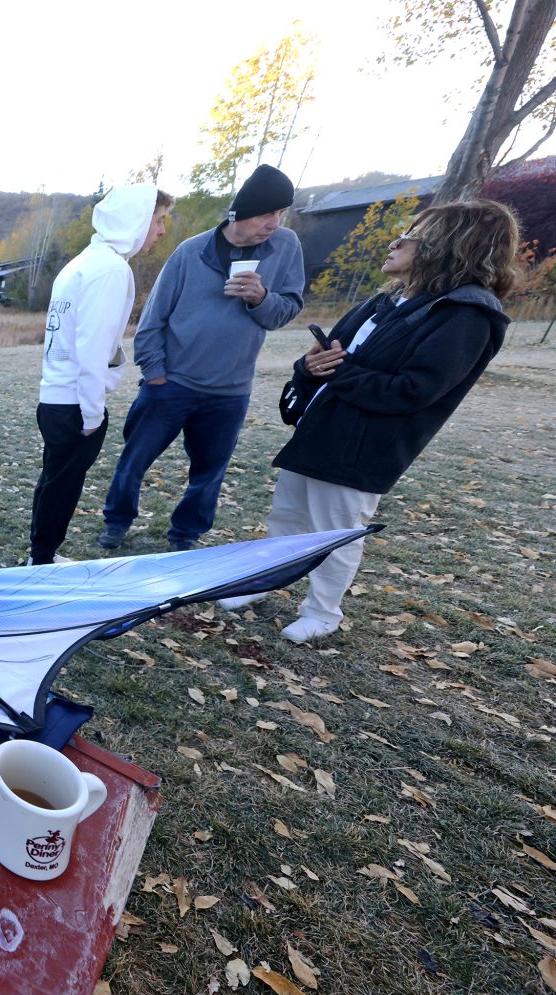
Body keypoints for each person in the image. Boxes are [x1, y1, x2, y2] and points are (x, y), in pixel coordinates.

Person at [219, 199, 523, 642]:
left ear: (449, 246)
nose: (396, 241)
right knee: (286, 516)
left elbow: (415, 390)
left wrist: (340, 371)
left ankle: (323, 612)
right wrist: (308, 369)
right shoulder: (388, 300)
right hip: (320, 431)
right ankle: (260, 582)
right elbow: (329, 356)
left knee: (336, 531)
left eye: (413, 234)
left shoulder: (466, 315)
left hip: (364, 447)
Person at [98, 164, 305, 552]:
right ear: (239, 213)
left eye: (280, 214)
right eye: (266, 214)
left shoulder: (285, 247)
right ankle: (117, 522)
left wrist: (261, 299)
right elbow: (152, 319)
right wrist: (156, 374)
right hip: (171, 385)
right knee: (133, 461)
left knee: (209, 472)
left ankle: (186, 534)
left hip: (230, 391)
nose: (274, 223)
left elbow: (287, 310)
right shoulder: (191, 251)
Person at [30, 184, 172, 565]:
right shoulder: (110, 270)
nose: (161, 230)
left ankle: (40, 555)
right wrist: (93, 413)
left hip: (55, 397)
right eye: (157, 220)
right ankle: (41, 562)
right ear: (135, 219)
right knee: (63, 484)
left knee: (54, 479)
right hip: (76, 402)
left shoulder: (81, 263)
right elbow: (91, 348)